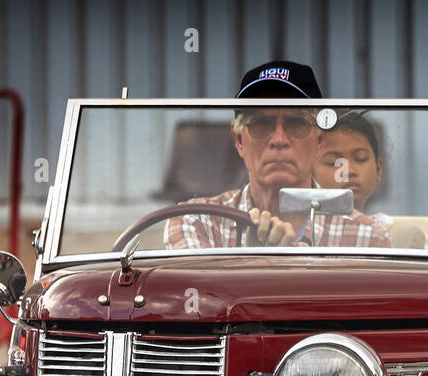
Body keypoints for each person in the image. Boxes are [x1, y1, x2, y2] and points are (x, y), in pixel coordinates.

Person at [164, 61, 389, 249]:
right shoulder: (196, 221)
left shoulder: (367, 237)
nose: (279, 139)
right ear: (240, 140)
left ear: (320, 141)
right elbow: (197, 299)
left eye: (296, 123)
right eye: (261, 124)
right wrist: (251, 260)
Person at [314, 110, 388, 221]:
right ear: (310, 173)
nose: (349, 171)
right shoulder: (298, 232)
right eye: (334, 162)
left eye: (360, 159)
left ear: (378, 169)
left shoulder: (387, 228)